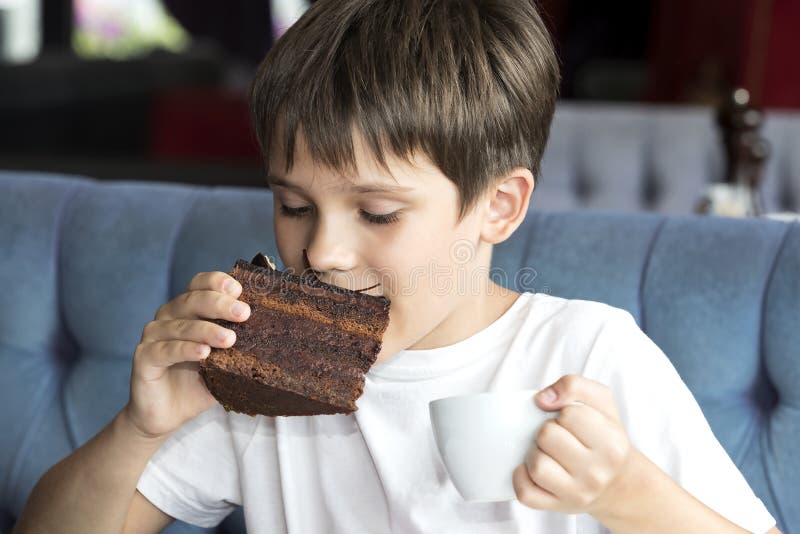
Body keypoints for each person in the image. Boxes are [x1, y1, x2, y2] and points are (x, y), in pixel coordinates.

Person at [14, 1, 780, 533]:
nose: (321, 253)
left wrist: (624, 492)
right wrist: (138, 429)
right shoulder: (265, 380)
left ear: (498, 207)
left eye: (377, 213)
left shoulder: (584, 354)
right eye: (294, 205)